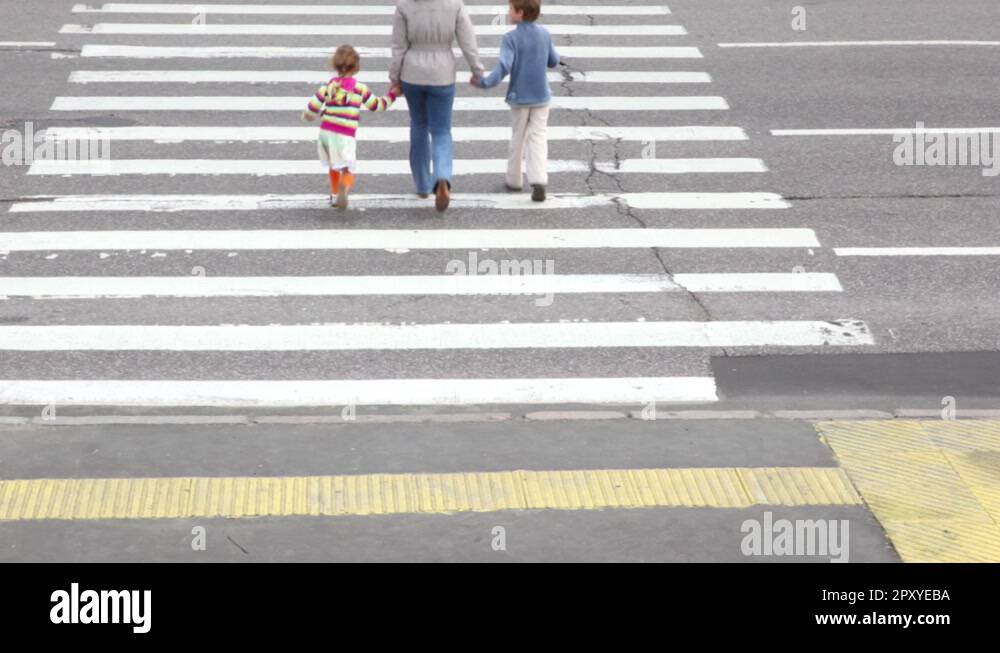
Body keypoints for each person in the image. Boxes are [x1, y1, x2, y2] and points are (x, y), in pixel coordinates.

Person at [390, 0, 486, 211]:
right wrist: (477, 71)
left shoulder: (404, 6)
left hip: (412, 73)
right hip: (443, 73)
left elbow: (399, 46)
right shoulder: (454, 4)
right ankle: (442, 176)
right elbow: (468, 41)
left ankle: (423, 185)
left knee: (418, 125)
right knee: (442, 131)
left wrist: (394, 79)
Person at [473, 0, 560, 202]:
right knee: (538, 137)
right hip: (541, 97)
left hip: (519, 97)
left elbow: (504, 66)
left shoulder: (511, 38)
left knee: (518, 138)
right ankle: (538, 180)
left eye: (511, 8)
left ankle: (514, 179)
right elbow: (554, 61)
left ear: (519, 13)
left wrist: (485, 82)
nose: (508, 11)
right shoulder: (545, 34)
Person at [303, 45, 398, 210]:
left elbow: (311, 108)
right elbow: (377, 105)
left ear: (335, 65)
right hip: (344, 135)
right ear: (356, 67)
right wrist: (392, 95)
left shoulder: (328, 87)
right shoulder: (359, 89)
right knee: (348, 169)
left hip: (326, 133)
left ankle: (334, 195)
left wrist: (308, 116)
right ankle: (344, 188)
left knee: (334, 165)